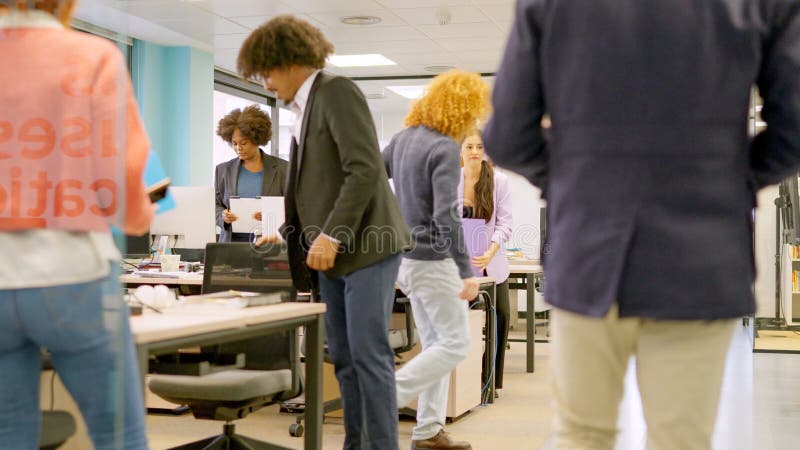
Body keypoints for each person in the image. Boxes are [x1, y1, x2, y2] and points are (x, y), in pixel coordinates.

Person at [483, 1, 800, 449]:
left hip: (587, 253)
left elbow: (508, 136)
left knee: (580, 435)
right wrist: (730, 179)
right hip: (701, 258)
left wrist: (574, 179)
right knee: (680, 440)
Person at [240, 16, 411, 450]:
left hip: (365, 247)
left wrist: (332, 234)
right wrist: (289, 233)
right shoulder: (305, 106)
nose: (265, 83)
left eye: (266, 71)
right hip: (330, 254)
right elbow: (313, 186)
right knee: (345, 359)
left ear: (289, 60)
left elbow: (364, 168)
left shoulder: (335, 91)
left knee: (369, 356)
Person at [0, 1, 153, 448]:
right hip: (76, 277)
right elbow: (119, 183)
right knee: (118, 433)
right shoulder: (92, 56)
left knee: (7, 432)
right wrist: (141, 216)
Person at [383, 70, 488, 450]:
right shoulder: (443, 146)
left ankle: (427, 432)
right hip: (434, 261)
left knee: (436, 347)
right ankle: (385, 396)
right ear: (460, 109)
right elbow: (447, 216)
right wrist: (466, 271)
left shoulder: (402, 139)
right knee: (456, 345)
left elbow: (372, 178)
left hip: (406, 260)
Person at [458, 131, 513, 390]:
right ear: (461, 151)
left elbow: (505, 223)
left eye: (479, 146)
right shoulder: (451, 181)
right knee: (462, 318)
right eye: (469, 146)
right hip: (460, 261)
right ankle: (463, 379)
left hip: (491, 260)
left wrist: (491, 250)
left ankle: (490, 379)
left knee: (500, 315)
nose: (474, 151)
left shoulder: (498, 181)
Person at [215, 105, 287, 242]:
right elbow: (216, 205)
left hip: (270, 243)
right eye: (234, 143)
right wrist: (223, 216)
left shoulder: (283, 169)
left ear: (257, 139)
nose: (238, 148)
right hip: (231, 246)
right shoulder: (223, 170)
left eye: (244, 143)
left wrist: (272, 217)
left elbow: (294, 207)